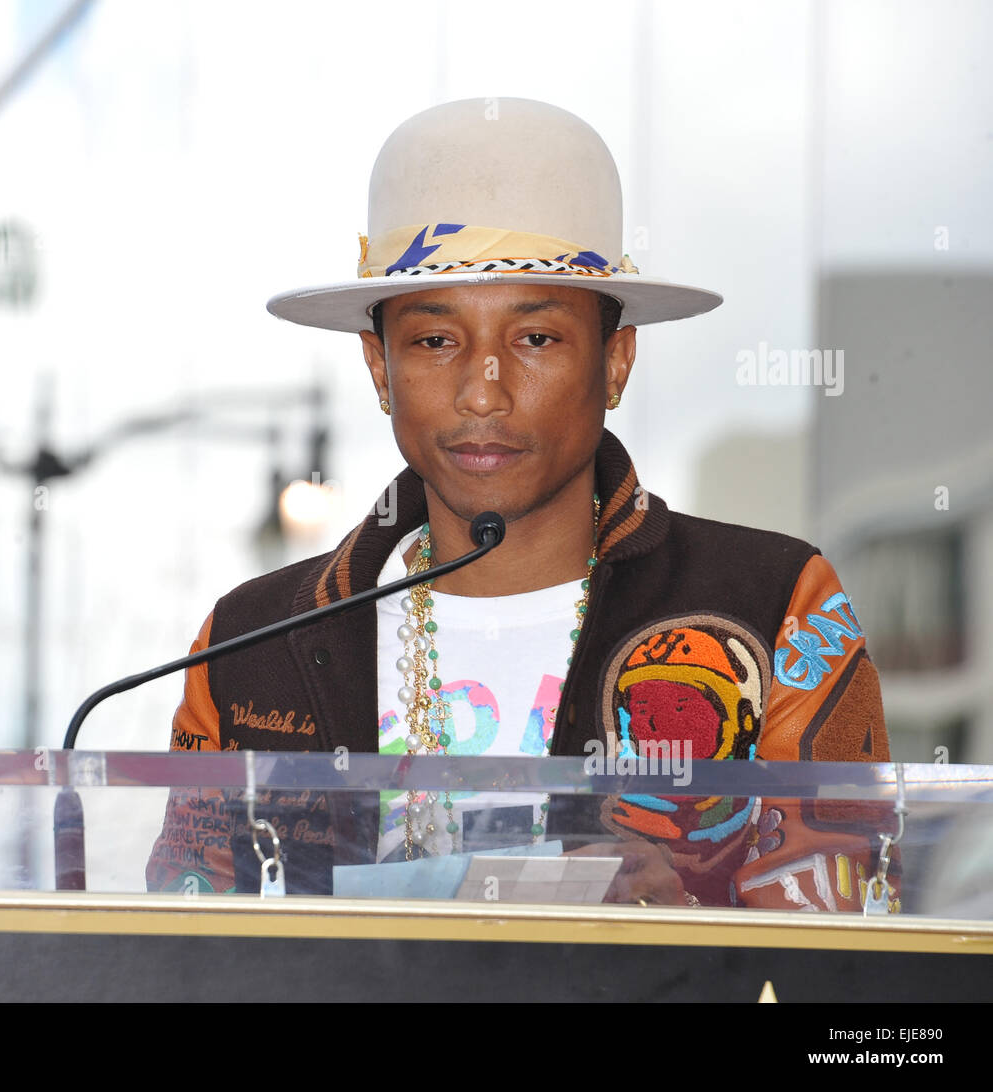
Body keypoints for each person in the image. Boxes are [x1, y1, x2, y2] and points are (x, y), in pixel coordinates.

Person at [145, 97, 896, 911]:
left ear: (616, 361)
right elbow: (184, 949)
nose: (482, 392)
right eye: (435, 341)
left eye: (535, 338)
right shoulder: (250, 643)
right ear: (378, 367)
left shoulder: (776, 602)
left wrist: (684, 924)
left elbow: (856, 946)